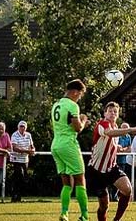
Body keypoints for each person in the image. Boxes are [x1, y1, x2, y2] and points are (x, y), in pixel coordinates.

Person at [87, 102, 136, 221]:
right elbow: (109, 133)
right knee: (104, 205)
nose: (113, 113)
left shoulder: (116, 129)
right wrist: (131, 129)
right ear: (105, 113)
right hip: (97, 170)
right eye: (110, 111)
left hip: (111, 168)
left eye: (115, 111)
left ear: (117, 115)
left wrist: (119, 149)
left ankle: (116, 220)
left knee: (127, 189)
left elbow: (112, 144)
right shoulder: (103, 123)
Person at [51, 79, 91, 221]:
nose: (79, 97)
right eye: (79, 95)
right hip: (68, 144)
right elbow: (77, 128)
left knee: (67, 182)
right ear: (74, 92)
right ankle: (85, 215)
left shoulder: (56, 104)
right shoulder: (72, 105)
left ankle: (64, 213)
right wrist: (84, 120)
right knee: (80, 179)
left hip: (55, 145)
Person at [9, 121, 35, 203]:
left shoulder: (28, 135)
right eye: (21, 126)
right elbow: (15, 148)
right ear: (18, 127)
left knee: (23, 179)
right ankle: (14, 196)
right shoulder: (14, 135)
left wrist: (33, 150)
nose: (22, 128)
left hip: (25, 160)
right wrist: (27, 151)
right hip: (16, 159)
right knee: (18, 176)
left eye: (24, 126)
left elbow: (32, 146)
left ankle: (18, 197)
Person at [109, 123, 132, 202]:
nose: (124, 130)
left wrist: (123, 149)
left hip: (123, 160)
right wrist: (120, 149)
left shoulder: (128, 137)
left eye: (126, 129)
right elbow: (116, 147)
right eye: (123, 128)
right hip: (114, 160)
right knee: (114, 179)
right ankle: (112, 195)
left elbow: (129, 148)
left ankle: (115, 195)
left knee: (120, 178)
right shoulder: (117, 136)